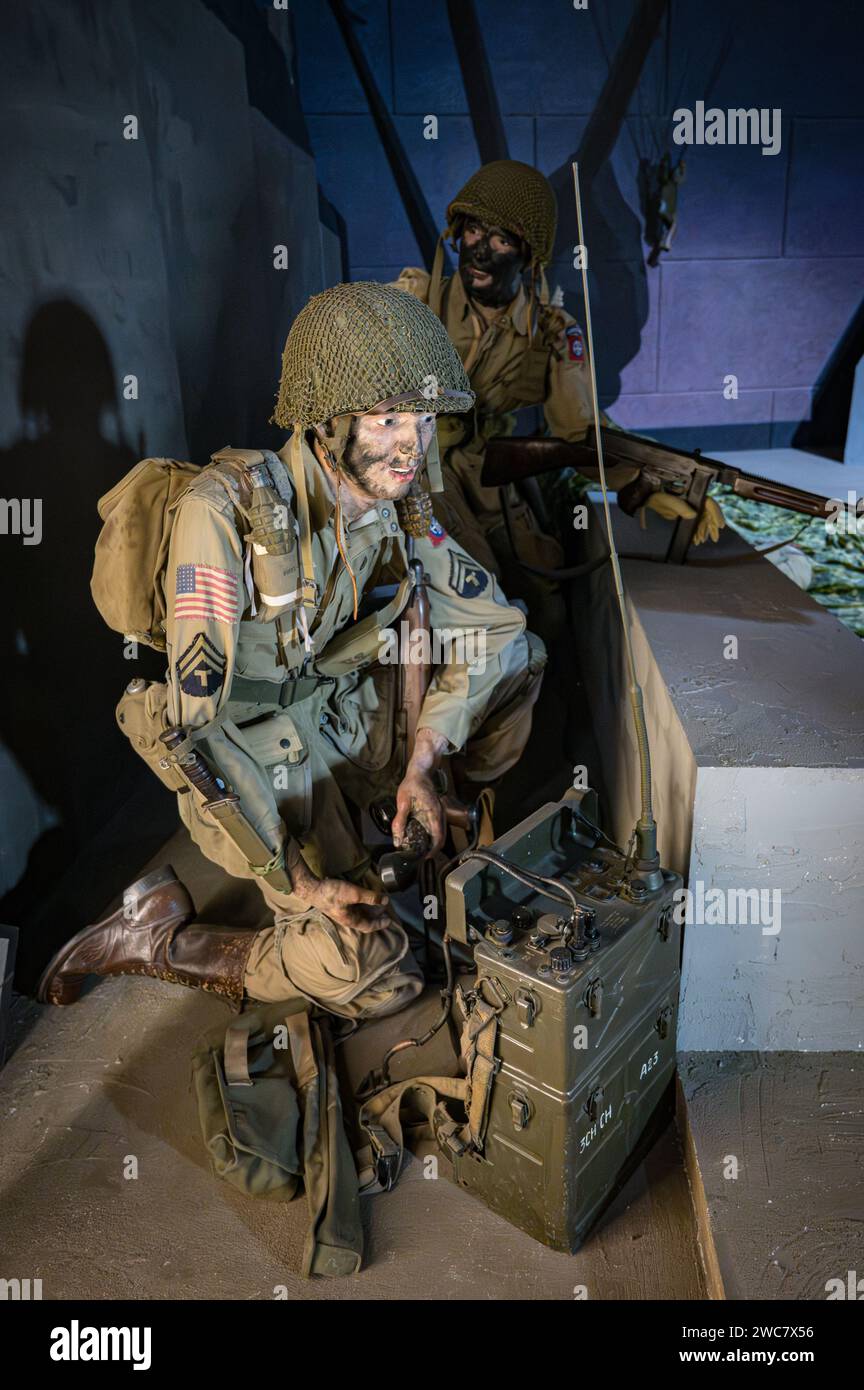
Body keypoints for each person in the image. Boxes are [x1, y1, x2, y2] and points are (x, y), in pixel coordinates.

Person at [38, 282, 545, 1021]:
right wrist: (299, 879)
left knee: (521, 659)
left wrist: (424, 764)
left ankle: (407, 813)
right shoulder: (224, 512)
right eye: (387, 420)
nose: (412, 446)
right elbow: (194, 734)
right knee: (371, 976)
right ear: (328, 421)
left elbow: (494, 626)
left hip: (338, 713)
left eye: (425, 420)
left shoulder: (402, 502)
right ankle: (157, 940)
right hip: (255, 747)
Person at [392, 159, 724, 596]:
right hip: (415, 473)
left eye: (501, 239)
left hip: (487, 475)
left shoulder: (550, 332)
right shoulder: (416, 301)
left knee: (544, 592)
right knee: (480, 589)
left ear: (528, 254)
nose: (481, 250)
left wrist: (661, 481)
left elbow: (581, 431)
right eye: (473, 231)